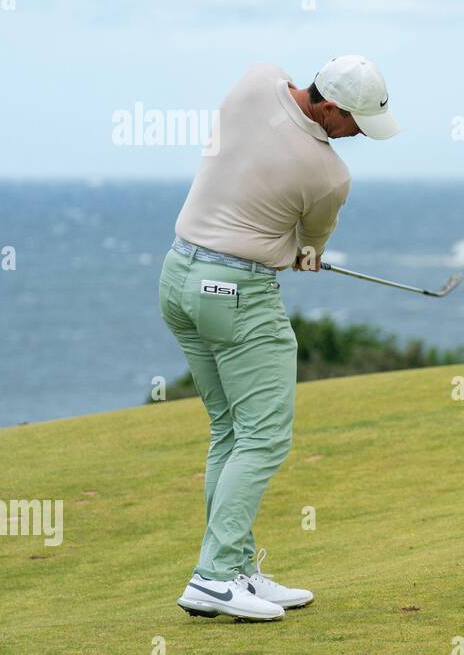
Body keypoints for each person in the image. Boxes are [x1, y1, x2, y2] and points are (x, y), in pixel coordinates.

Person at [159, 56, 398, 621]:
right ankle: (214, 577)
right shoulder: (330, 175)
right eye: (354, 122)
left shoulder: (253, 81)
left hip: (176, 276)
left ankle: (235, 567)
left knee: (230, 430)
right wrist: (304, 255)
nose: (357, 134)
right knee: (263, 439)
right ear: (331, 108)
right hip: (235, 293)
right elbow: (308, 248)